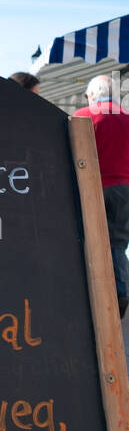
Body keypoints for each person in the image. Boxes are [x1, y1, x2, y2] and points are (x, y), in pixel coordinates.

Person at [73, 76, 129, 317]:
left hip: (90, 187)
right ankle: (120, 293)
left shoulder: (82, 116)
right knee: (117, 242)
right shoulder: (127, 118)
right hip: (124, 188)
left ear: (93, 94)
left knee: (85, 238)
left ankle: (87, 292)